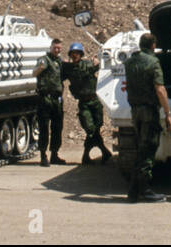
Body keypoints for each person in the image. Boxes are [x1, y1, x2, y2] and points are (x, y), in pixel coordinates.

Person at [124, 32, 171, 202]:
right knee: (148, 149)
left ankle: (133, 190)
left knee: (140, 149)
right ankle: (144, 189)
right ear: (153, 45)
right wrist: (167, 113)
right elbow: (160, 89)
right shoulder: (153, 62)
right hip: (149, 111)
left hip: (135, 110)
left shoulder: (129, 62)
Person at [62, 41, 112, 164]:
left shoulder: (88, 65)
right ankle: (104, 152)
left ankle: (88, 156)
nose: (75, 55)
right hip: (84, 103)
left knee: (96, 128)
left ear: (81, 54)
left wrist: (99, 60)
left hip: (95, 101)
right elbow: (58, 75)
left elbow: (102, 66)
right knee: (90, 129)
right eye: (73, 53)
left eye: (77, 53)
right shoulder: (68, 69)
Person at [32, 38, 66, 167]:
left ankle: (54, 154)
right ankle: (43, 155)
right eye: (55, 48)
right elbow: (33, 73)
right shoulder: (44, 60)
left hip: (57, 99)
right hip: (45, 99)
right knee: (44, 127)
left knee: (57, 127)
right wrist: (40, 68)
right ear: (51, 47)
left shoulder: (59, 61)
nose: (57, 50)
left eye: (59, 48)